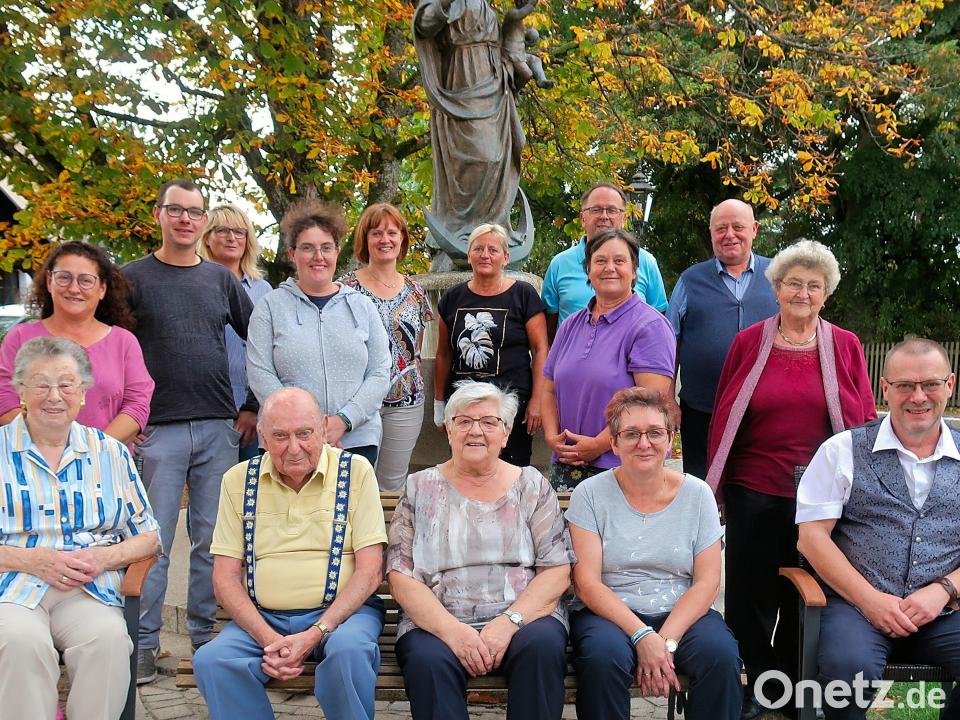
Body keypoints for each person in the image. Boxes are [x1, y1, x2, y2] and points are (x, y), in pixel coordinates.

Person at [705, 239, 877, 719]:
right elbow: (725, 412)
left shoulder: (845, 344)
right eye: (794, 284)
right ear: (777, 289)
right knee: (749, 595)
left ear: (826, 294)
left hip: (821, 498)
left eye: (814, 286)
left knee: (808, 594)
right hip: (754, 488)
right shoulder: (747, 343)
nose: (803, 292)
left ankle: (793, 684)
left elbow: (862, 415)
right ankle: (757, 683)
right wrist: (716, 484)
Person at [124, 178, 258, 683]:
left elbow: (259, 342)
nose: (185, 219)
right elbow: (115, 351)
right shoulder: (132, 278)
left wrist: (250, 405)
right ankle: (143, 645)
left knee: (212, 540)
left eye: (194, 212)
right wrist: (128, 417)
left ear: (202, 221)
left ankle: (206, 639)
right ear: (159, 215)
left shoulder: (220, 281)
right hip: (156, 431)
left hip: (218, 425)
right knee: (151, 542)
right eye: (175, 210)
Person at [193, 387, 387, 720]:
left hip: (342, 617)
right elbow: (224, 577)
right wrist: (269, 639)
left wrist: (315, 634)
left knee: (349, 653)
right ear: (263, 439)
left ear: (324, 430)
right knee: (213, 660)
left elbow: (370, 571)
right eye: (280, 436)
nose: (294, 448)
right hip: (264, 617)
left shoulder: (355, 472)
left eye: (304, 434)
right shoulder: (237, 480)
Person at [387, 381, 574, 720]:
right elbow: (401, 576)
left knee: (543, 648)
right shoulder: (418, 488)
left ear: (504, 434)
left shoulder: (531, 485)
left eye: (488, 422)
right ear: (448, 430)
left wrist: (509, 622)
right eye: (464, 421)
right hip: (439, 618)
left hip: (522, 616)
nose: (476, 431)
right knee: (428, 661)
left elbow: (557, 570)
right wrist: (452, 630)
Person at [796, 339, 960, 720]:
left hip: (945, 612)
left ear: (950, 385)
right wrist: (871, 601)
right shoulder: (842, 450)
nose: (918, 396)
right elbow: (812, 538)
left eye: (930, 384)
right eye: (904, 385)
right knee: (847, 670)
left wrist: (944, 590)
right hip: (856, 609)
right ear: (885, 389)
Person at [0, 337, 159, 720]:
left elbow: (149, 535)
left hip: (87, 588)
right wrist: (32, 559)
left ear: (83, 394)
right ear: (21, 392)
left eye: (67, 384)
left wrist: (105, 557)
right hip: (13, 585)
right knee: (19, 642)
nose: (54, 395)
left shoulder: (109, 450)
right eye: (41, 384)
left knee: (107, 642)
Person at [567, 387, 741, 720]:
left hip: (681, 612)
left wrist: (665, 641)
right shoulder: (590, 494)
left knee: (720, 656)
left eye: (655, 433)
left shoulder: (697, 494)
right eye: (631, 434)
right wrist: (641, 634)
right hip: (610, 614)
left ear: (671, 439)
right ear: (614, 443)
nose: (644, 443)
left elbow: (707, 583)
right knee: (602, 660)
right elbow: (587, 583)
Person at [247, 199, 391, 467]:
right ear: (292, 254)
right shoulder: (270, 307)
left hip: (355, 439)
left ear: (337, 252)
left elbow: (380, 371)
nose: (318, 256)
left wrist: (342, 421)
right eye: (308, 248)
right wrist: (305, 429)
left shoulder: (361, 305)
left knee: (348, 510)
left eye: (326, 248)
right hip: (288, 445)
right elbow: (260, 373)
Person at [542, 228, 676, 491]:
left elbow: (647, 404)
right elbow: (548, 386)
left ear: (635, 271)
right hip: (568, 465)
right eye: (600, 261)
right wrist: (551, 437)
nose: (609, 268)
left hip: (623, 465)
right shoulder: (571, 325)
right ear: (588, 270)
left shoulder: (650, 326)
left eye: (619, 261)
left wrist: (598, 445)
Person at [666, 199, 779, 479]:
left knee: (756, 490)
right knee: (701, 491)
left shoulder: (780, 276)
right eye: (721, 228)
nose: (729, 234)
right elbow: (669, 345)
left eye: (738, 227)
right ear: (711, 233)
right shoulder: (690, 280)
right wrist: (668, 400)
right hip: (702, 412)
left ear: (754, 229)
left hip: (763, 413)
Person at [0, 241, 154, 444]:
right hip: (33, 462)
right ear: (49, 281)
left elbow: (137, 403)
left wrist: (90, 450)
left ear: (102, 288)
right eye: (64, 277)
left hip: (105, 462)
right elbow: (4, 397)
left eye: (86, 280)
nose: (74, 288)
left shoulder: (123, 342)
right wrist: (48, 447)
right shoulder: (19, 338)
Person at [434, 223, 547, 467]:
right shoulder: (452, 298)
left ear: (505, 257)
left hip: (511, 404)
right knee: (466, 468)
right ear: (469, 255)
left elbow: (540, 350)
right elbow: (443, 354)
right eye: (478, 249)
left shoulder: (524, 295)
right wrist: (438, 402)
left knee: (512, 471)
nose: (485, 255)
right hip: (464, 405)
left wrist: (538, 400)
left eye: (493, 250)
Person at [413, 0, 524, 246]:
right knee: (482, 157)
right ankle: (465, 230)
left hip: (494, 86)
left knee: (503, 157)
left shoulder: (486, 5)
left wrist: (520, 15)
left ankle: (492, 232)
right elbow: (424, 24)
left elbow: (507, 47)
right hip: (462, 82)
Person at [339, 203, 434, 490]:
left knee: (392, 485)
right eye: (376, 233)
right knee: (353, 484)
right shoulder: (344, 290)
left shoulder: (415, 291)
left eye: (392, 233)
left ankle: (388, 536)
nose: (385, 240)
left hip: (405, 402)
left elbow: (417, 345)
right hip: (355, 402)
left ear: (402, 239)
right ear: (364, 239)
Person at [542, 183, 667, 339]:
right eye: (596, 210)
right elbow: (548, 330)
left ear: (624, 218)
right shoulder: (559, 265)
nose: (604, 216)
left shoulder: (646, 262)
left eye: (612, 210)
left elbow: (658, 322)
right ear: (583, 218)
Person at [198, 204, 273, 461]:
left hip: (256, 409)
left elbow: (270, 350)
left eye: (239, 232)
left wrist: (253, 407)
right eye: (222, 230)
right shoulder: (196, 285)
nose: (232, 237)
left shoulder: (264, 290)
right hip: (208, 408)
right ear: (207, 238)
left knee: (251, 491)